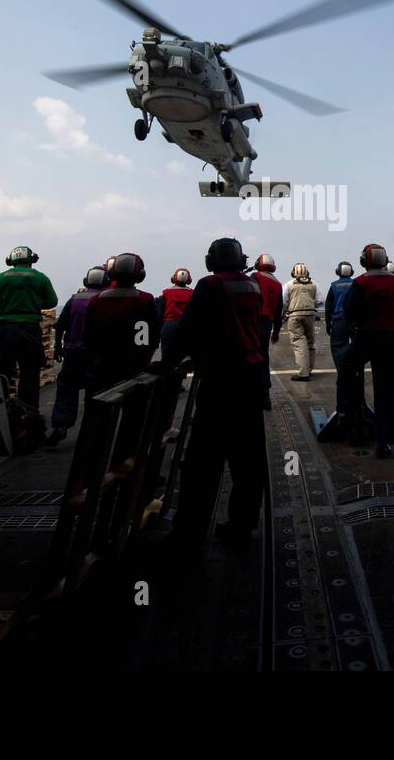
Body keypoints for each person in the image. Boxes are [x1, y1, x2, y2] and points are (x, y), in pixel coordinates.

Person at [158, 237, 267, 554]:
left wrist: (167, 364)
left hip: (221, 380)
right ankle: (242, 526)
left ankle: (188, 534)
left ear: (211, 261)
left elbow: (189, 331)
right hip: (251, 380)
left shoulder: (209, 286)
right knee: (248, 462)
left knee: (201, 464)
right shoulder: (252, 286)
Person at [343, 243, 394, 458]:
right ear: (385, 261)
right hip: (390, 339)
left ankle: (352, 413)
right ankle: (384, 442)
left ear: (364, 262)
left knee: (347, 369)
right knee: (387, 392)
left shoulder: (360, 283)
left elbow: (349, 311)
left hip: (366, 337)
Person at [0, 245, 58, 411]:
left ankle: (2, 411)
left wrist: (3, 309)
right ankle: (28, 413)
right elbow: (52, 302)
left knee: (3, 372)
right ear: (31, 260)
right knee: (30, 374)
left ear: (10, 261)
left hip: (6, 331)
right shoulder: (41, 278)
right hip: (30, 331)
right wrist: (34, 305)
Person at [48, 264, 110, 446]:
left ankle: (61, 424)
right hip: (94, 354)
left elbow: (60, 325)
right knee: (96, 391)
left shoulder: (75, 298)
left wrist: (59, 348)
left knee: (67, 389)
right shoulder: (104, 300)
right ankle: (91, 430)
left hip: (72, 352)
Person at [82, 252, 159, 394]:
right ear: (140, 275)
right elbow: (151, 338)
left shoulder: (96, 300)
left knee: (96, 411)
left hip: (101, 367)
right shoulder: (146, 300)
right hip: (135, 367)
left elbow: (88, 337)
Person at [324, 260, 358, 419]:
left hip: (339, 321)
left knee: (338, 349)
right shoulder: (357, 284)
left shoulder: (333, 286)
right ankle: (354, 372)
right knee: (357, 348)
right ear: (351, 272)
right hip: (354, 322)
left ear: (338, 272)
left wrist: (327, 324)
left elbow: (328, 307)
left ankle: (343, 373)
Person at [251, 253, 283, 409]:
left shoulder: (254, 276)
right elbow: (279, 311)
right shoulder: (277, 284)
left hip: (253, 321)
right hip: (267, 325)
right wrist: (276, 332)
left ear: (259, 264)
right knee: (263, 357)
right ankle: (265, 396)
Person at [283, 263, 318, 381]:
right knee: (310, 342)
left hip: (294, 315)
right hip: (310, 315)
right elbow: (320, 300)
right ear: (307, 272)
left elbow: (283, 301)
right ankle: (309, 370)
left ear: (293, 273)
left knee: (299, 342)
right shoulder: (314, 284)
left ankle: (303, 373)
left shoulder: (288, 284)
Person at [157, 268, 193, 364]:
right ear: (189, 280)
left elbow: (160, 313)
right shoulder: (192, 293)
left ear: (173, 278)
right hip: (185, 327)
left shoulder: (166, 292)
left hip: (168, 326)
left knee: (166, 357)